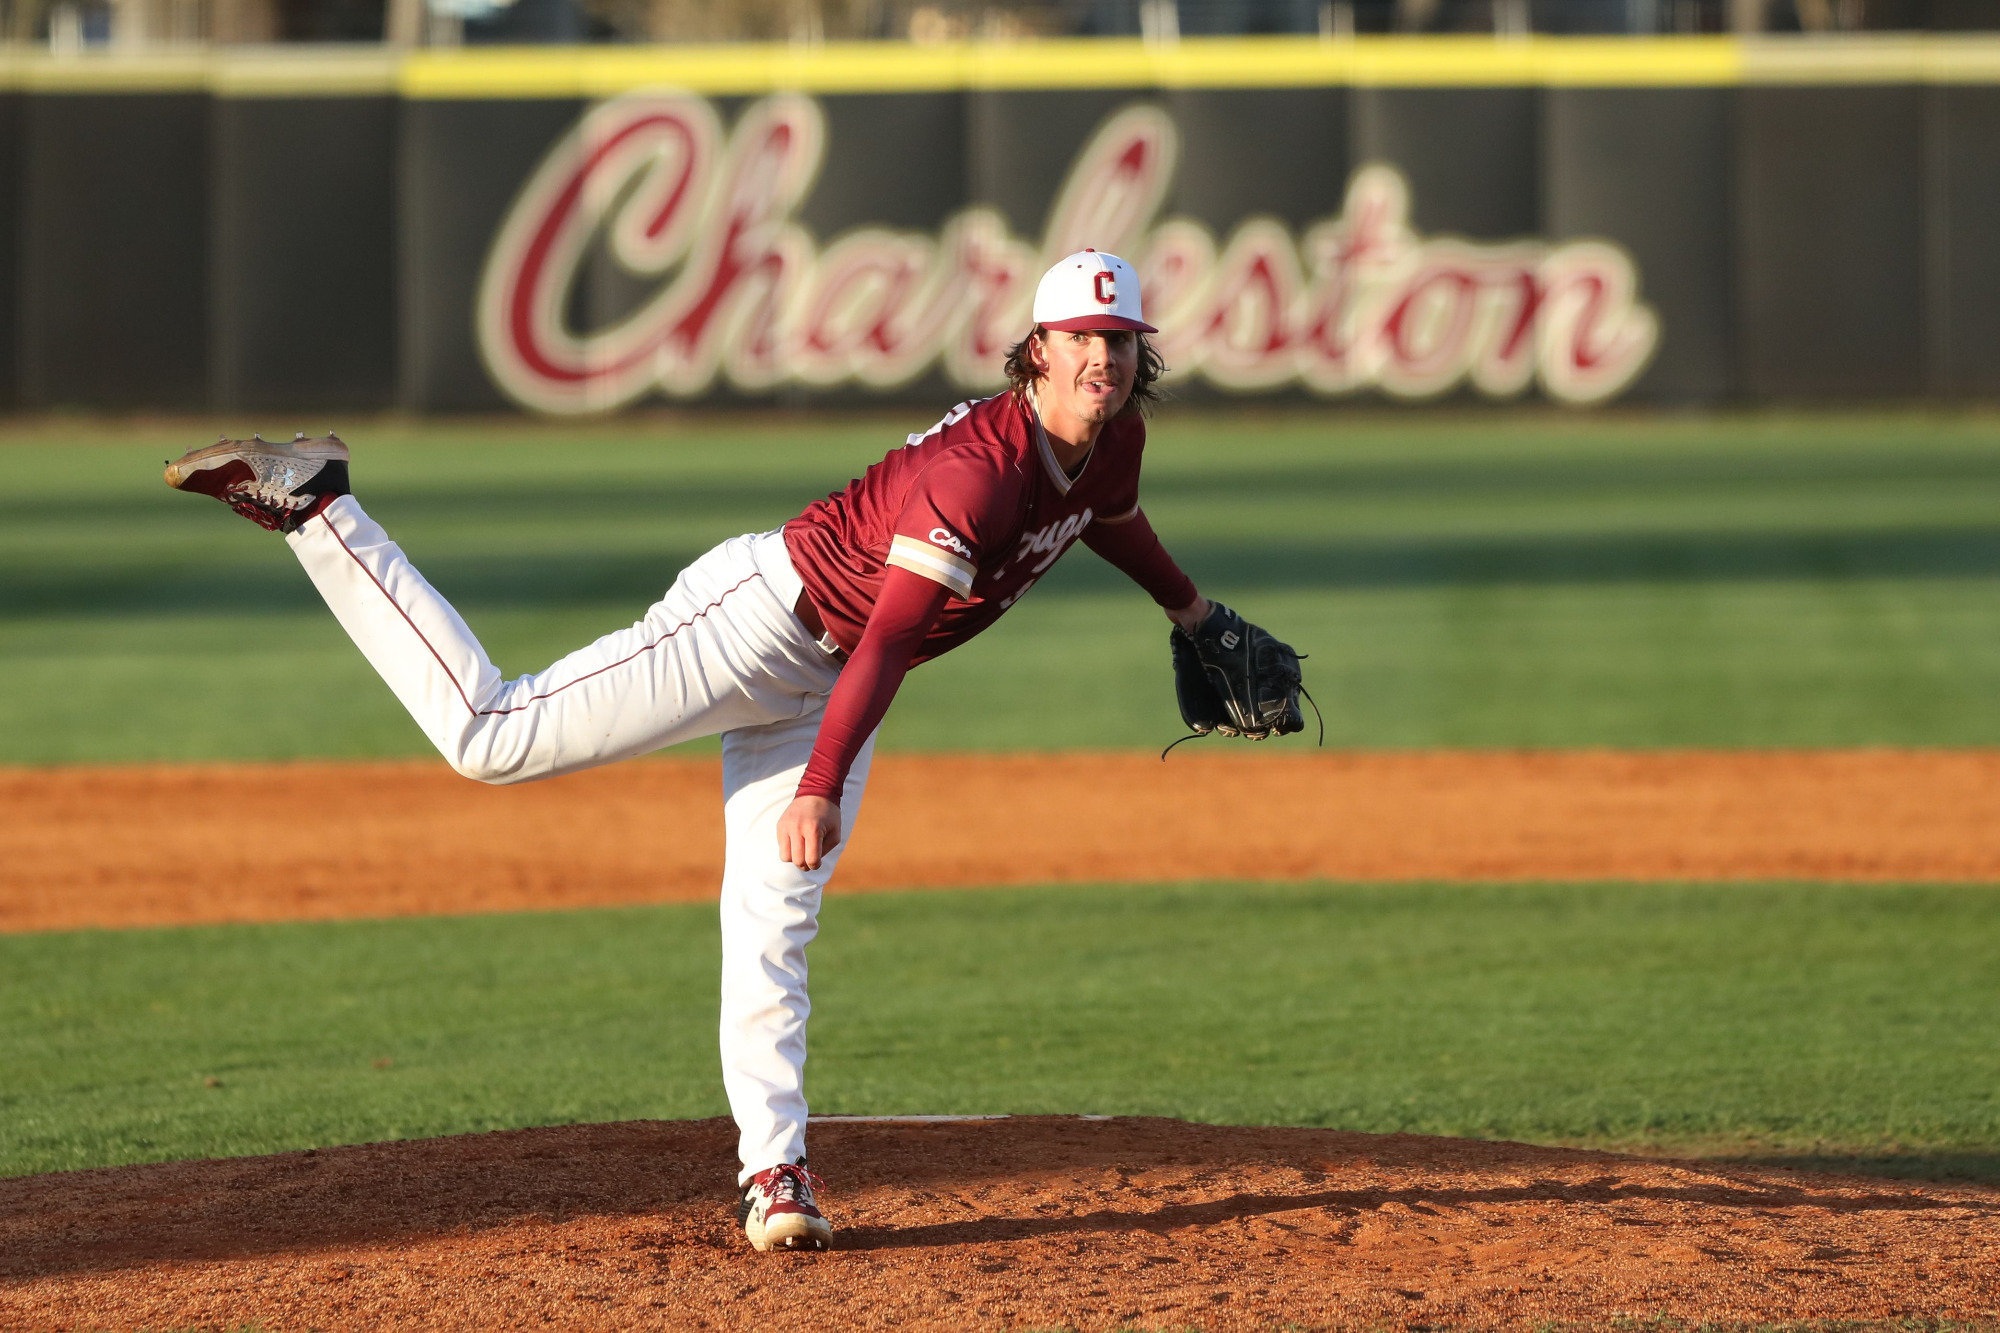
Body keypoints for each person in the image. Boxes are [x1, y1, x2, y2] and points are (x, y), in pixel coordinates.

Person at [164, 249, 1217, 1253]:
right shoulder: (973, 472)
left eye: (1119, 340)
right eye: (1080, 336)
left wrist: (1191, 612)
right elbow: (893, 634)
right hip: (755, 623)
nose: (1103, 358)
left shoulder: (1110, 438)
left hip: (832, 684)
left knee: (775, 919)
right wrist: (816, 784)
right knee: (490, 736)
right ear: (1034, 348)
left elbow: (1105, 515)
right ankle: (320, 506)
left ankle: (776, 1174)